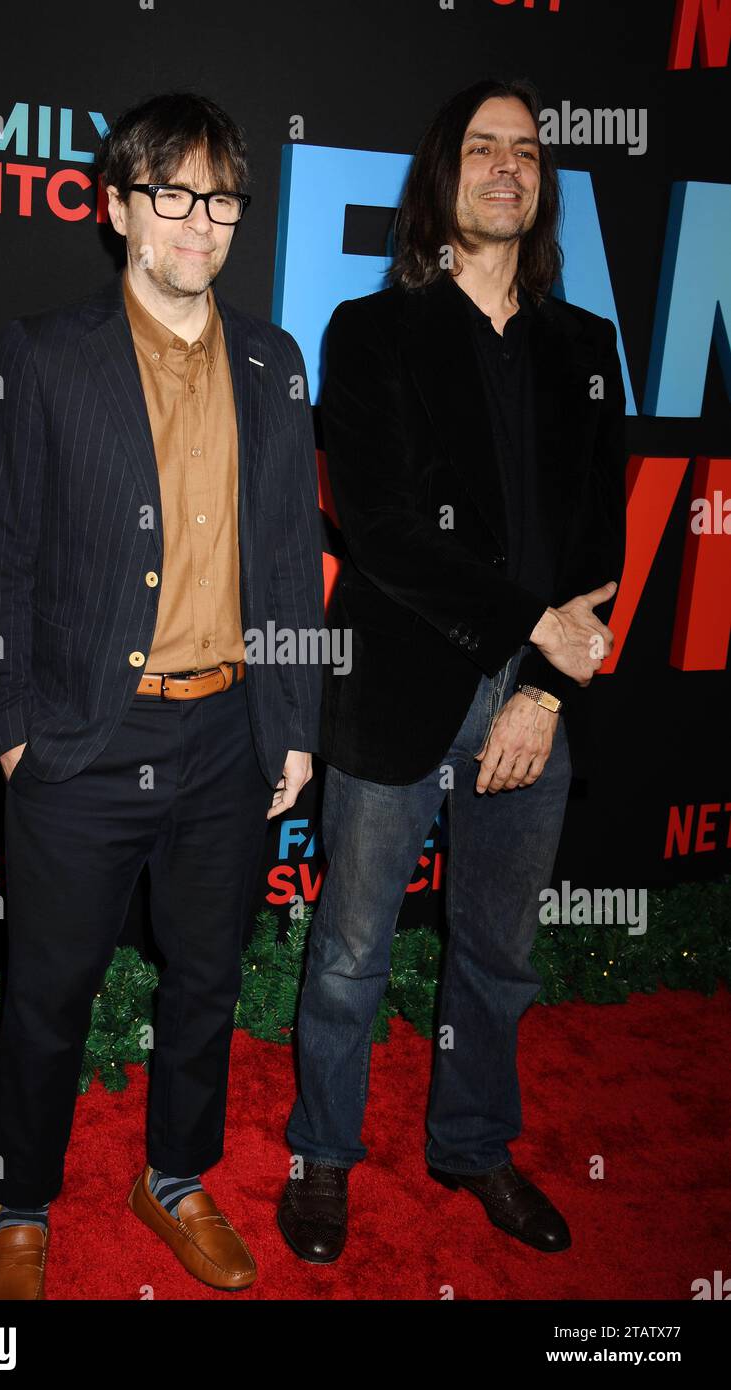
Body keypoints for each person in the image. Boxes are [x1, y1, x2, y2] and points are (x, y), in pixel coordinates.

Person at [0, 91, 323, 1298]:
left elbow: (283, 562)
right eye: (169, 194)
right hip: (81, 737)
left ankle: (173, 1176)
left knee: (206, 978)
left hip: (226, 731)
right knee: (48, 986)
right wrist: (7, 729)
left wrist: (293, 724)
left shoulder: (273, 362)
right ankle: (20, 1199)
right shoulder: (43, 354)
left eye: (218, 197)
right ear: (118, 210)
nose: (197, 222)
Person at [277, 78, 626, 1263]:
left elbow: (597, 549)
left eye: (525, 152)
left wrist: (540, 687)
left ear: (543, 182)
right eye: (482, 148)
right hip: (397, 688)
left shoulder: (584, 349)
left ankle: (472, 1143)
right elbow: (379, 531)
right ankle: (321, 1152)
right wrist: (530, 628)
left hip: (530, 700)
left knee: (496, 953)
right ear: (442, 178)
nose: (506, 167)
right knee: (350, 947)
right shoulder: (367, 333)